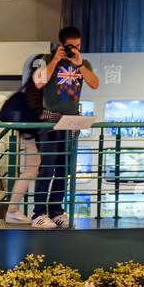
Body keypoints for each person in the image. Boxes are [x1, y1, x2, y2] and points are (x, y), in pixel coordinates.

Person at [29, 26, 99, 229]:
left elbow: (95, 84)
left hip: (72, 122)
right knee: (47, 167)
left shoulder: (83, 63)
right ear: (61, 44)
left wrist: (80, 65)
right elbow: (38, 83)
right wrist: (55, 60)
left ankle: (56, 210)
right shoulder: (46, 58)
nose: (75, 49)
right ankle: (38, 213)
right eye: (71, 46)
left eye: (78, 45)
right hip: (50, 121)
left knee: (63, 169)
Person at [6, 52, 45, 224]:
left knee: (31, 171)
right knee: (30, 171)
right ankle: (12, 210)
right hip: (32, 135)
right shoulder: (38, 85)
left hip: (29, 134)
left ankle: (13, 210)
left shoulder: (30, 84)